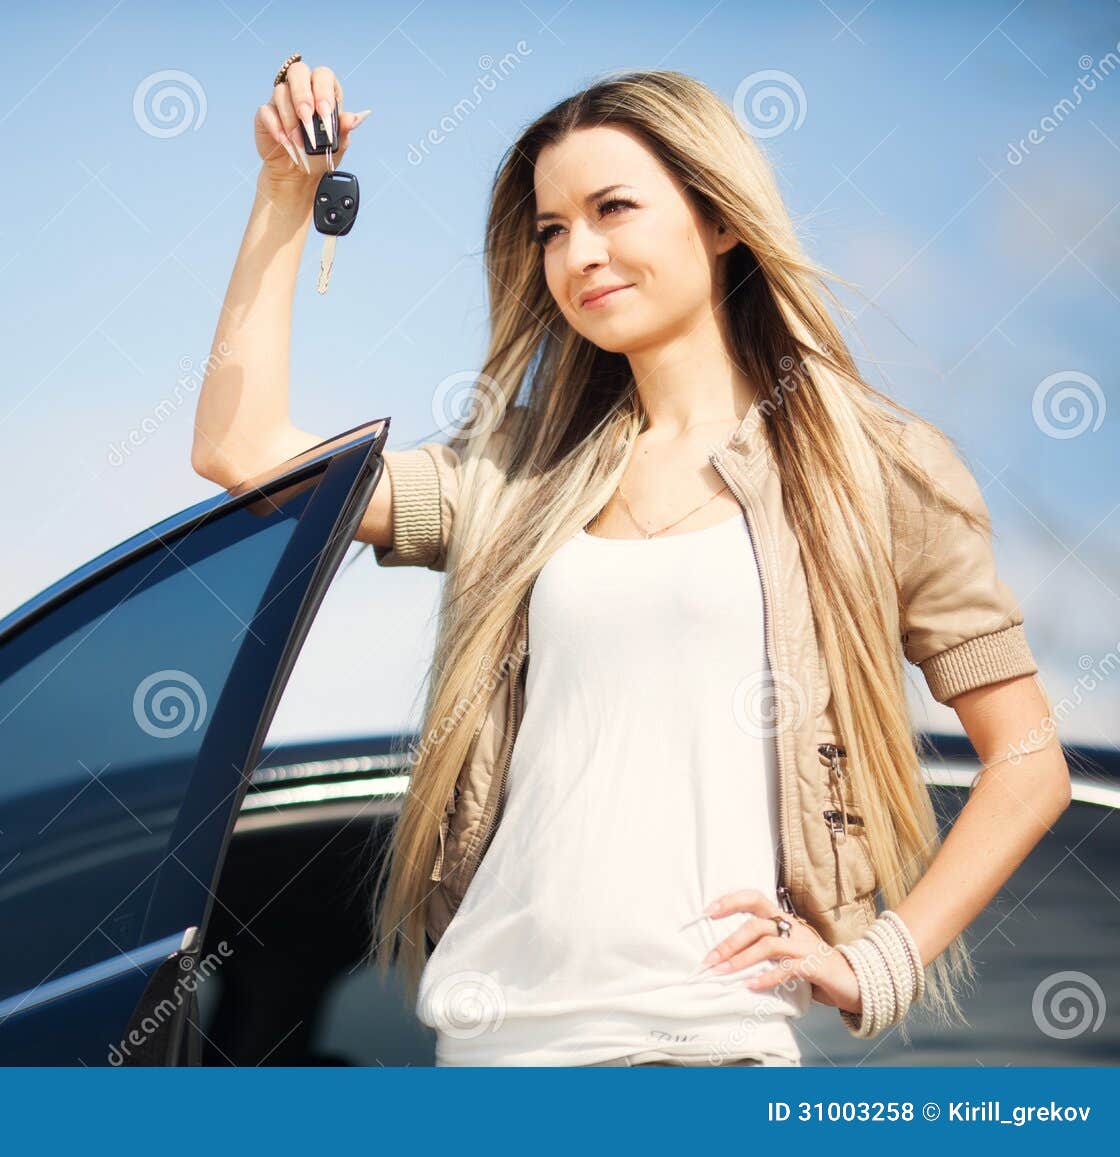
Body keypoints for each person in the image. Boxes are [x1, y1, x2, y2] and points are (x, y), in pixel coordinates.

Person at [190, 63, 1070, 1067]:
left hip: (705, 1049)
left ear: (721, 217)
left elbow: (1027, 754)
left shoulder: (872, 467)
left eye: (613, 209)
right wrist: (281, 192)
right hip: (493, 1047)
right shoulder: (512, 474)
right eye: (552, 228)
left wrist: (883, 958)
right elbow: (243, 450)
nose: (579, 253)